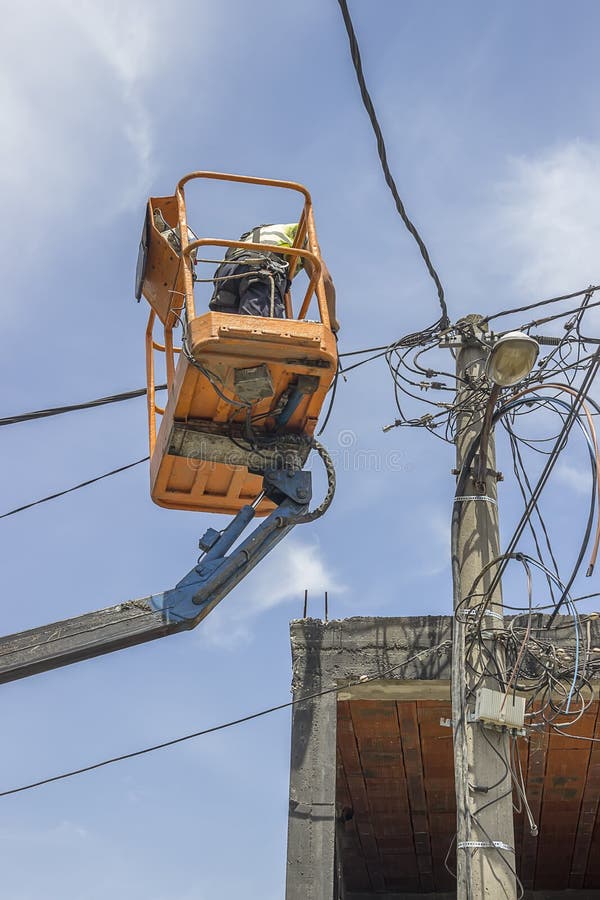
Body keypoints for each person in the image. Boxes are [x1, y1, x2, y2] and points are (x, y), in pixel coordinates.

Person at [209, 223, 339, 331]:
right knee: (261, 333)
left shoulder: (248, 239)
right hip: (260, 270)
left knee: (229, 334)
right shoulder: (301, 233)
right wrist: (331, 322)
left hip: (225, 277)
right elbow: (324, 280)